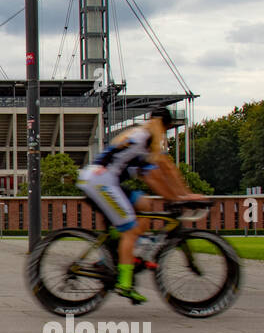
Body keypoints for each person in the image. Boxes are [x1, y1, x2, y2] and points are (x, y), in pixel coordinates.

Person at [76, 107, 204, 303]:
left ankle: (120, 255)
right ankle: (125, 283)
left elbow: (166, 169)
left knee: (145, 204)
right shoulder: (144, 139)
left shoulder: (141, 135)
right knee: (130, 230)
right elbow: (153, 177)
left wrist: (183, 194)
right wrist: (177, 198)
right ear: (165, 126)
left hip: (103, 180)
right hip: (101, 183)